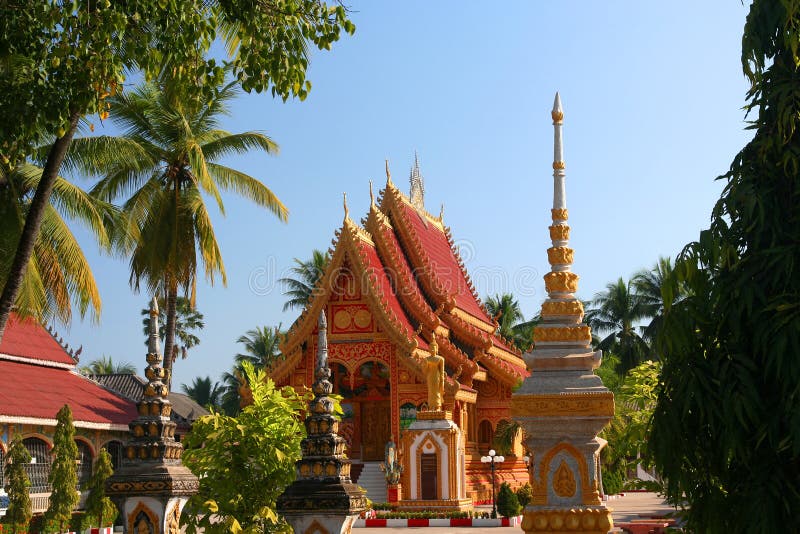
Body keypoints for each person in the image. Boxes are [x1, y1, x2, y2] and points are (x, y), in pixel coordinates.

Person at [424, 334, 445, 411]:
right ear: (429, 349)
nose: (432, 349)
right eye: (431, 347)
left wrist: (442, 382)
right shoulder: (427, 359)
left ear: (437, 349)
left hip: (437, 377)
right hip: (430, 377)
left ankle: (437, 407)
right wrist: (425, 364)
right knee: (431, 392)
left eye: (434, 347)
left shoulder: (440, 359)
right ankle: (431, 406)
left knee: (437, 392)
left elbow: (442, 371)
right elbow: (425, 371)